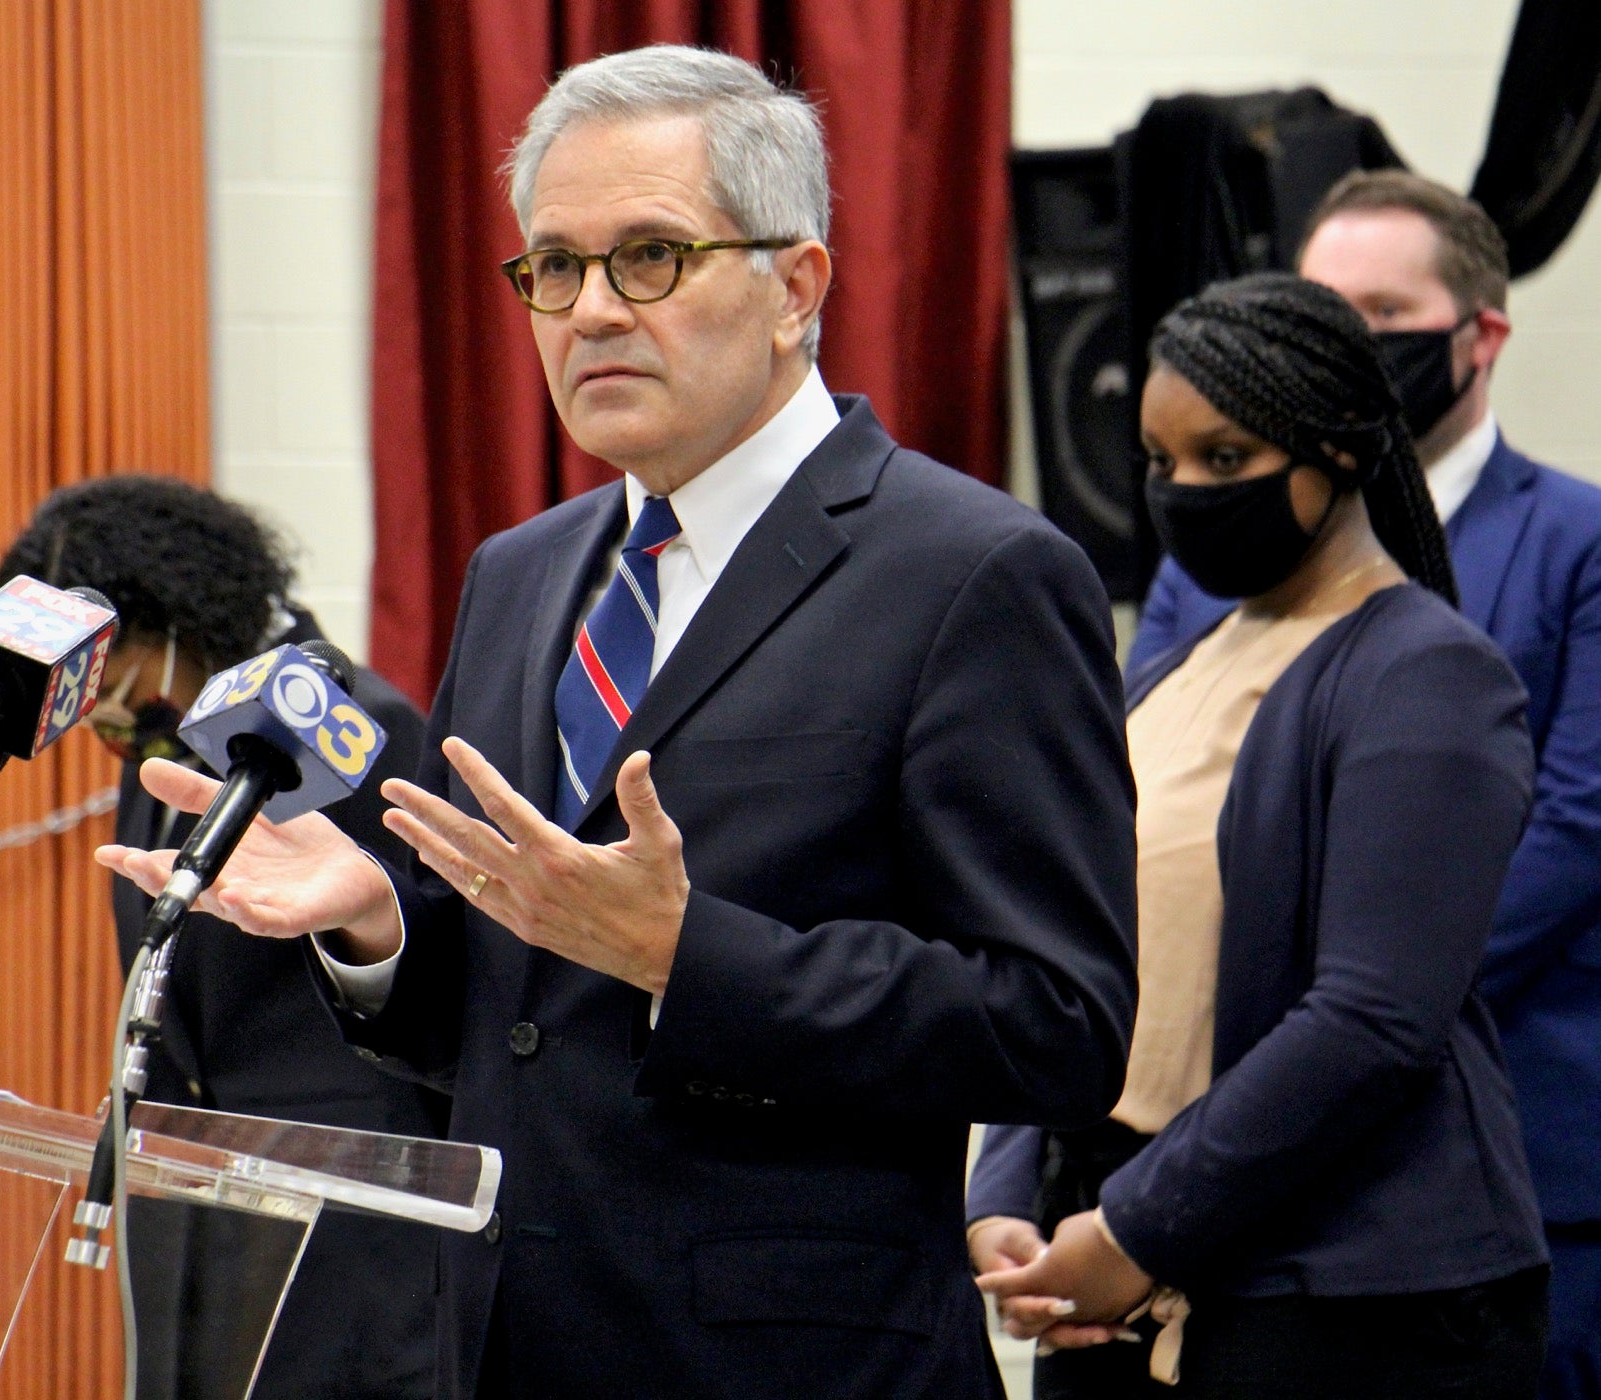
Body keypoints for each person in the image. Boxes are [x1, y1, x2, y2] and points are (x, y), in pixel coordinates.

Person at [99, 46, 1137, 1399]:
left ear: (795, 288)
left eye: (650, 257)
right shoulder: (521, 573)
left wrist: (686, 956)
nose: (589, 311)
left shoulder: (974, 572)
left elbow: (1058, 1024)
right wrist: (377, 927)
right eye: (555, 266)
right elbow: (515, 1023)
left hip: (792, 1365)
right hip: (506, 1351)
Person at [971, 273, 1549, 1398]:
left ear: (1338, 452)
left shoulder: (1428, 673)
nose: (1182, 492)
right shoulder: (1175, 666)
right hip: (1112, 1271)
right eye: (1160, 459)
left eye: (1225, 458)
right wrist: (1009, 1195)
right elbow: (1065, 948)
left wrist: (1136, 1228)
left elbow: (1374, 1020)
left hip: (1348, 1302)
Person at [1128, 170, 1601, 1397]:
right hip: (1212, 1148)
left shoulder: (1577, 542)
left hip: (1486, 1150)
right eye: (1322, 305)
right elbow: (1147, 802)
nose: (1341, 336)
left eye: (1381, 314)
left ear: (1481, 335)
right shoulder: (1215, 562)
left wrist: (1366, 976)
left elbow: (1576, 826)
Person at [0, 474, 442, 1399]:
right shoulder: (169, 749)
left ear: (186, 617)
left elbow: (427, 986)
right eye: (88, 703)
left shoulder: (363, 729)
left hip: (344, 1232)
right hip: (196, 1221)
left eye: (120, 682)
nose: (109, 722)